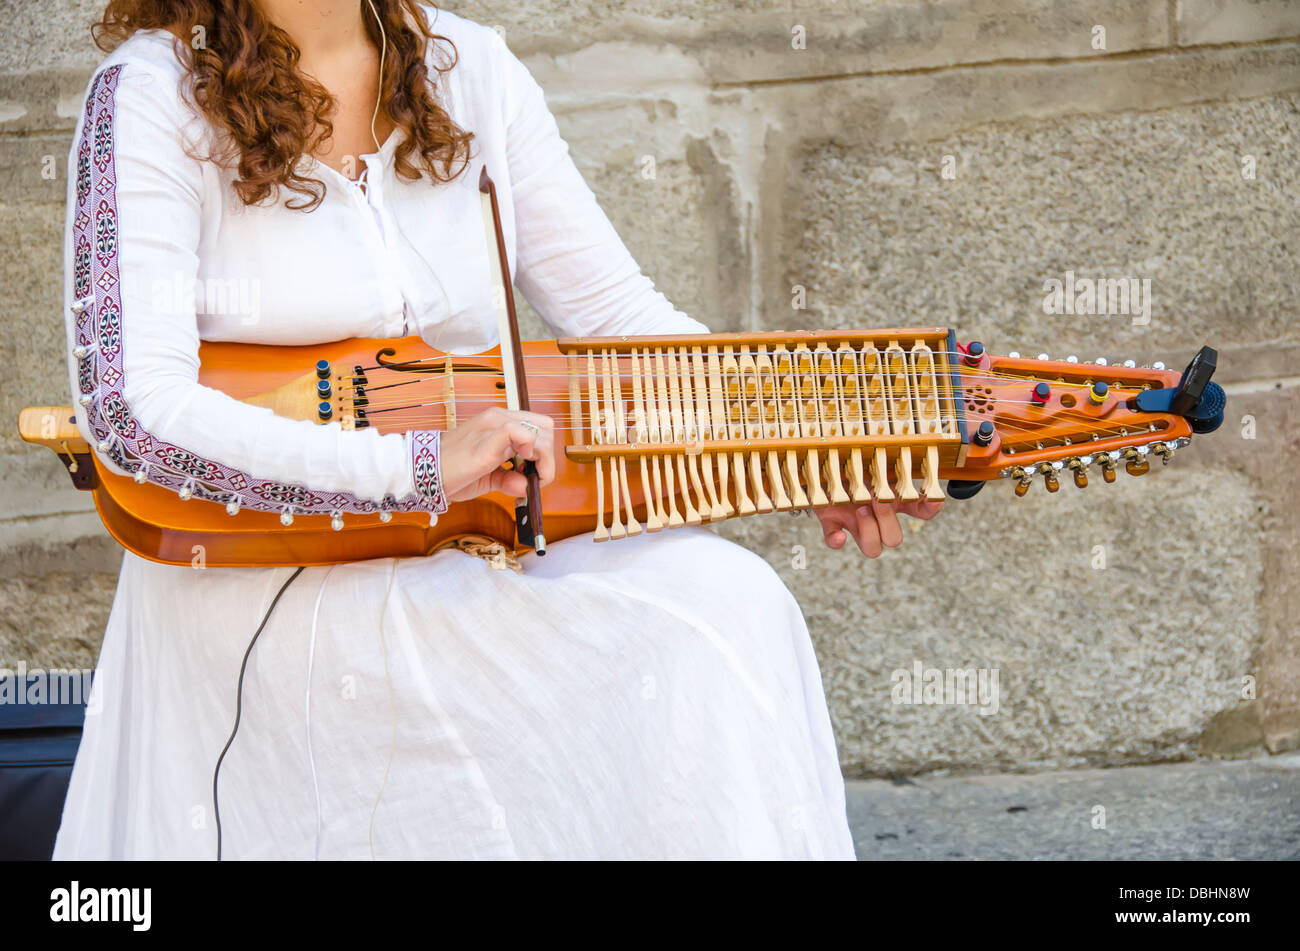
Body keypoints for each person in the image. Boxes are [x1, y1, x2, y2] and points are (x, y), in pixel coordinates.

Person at [56, 0, 941, 859]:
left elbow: (618, 316)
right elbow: (136, 416)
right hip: (269, 578)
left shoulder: (468, 66)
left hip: (468, 542)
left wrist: (817, 437)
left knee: (730, 600)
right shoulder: (149, 98)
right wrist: (418, 465)